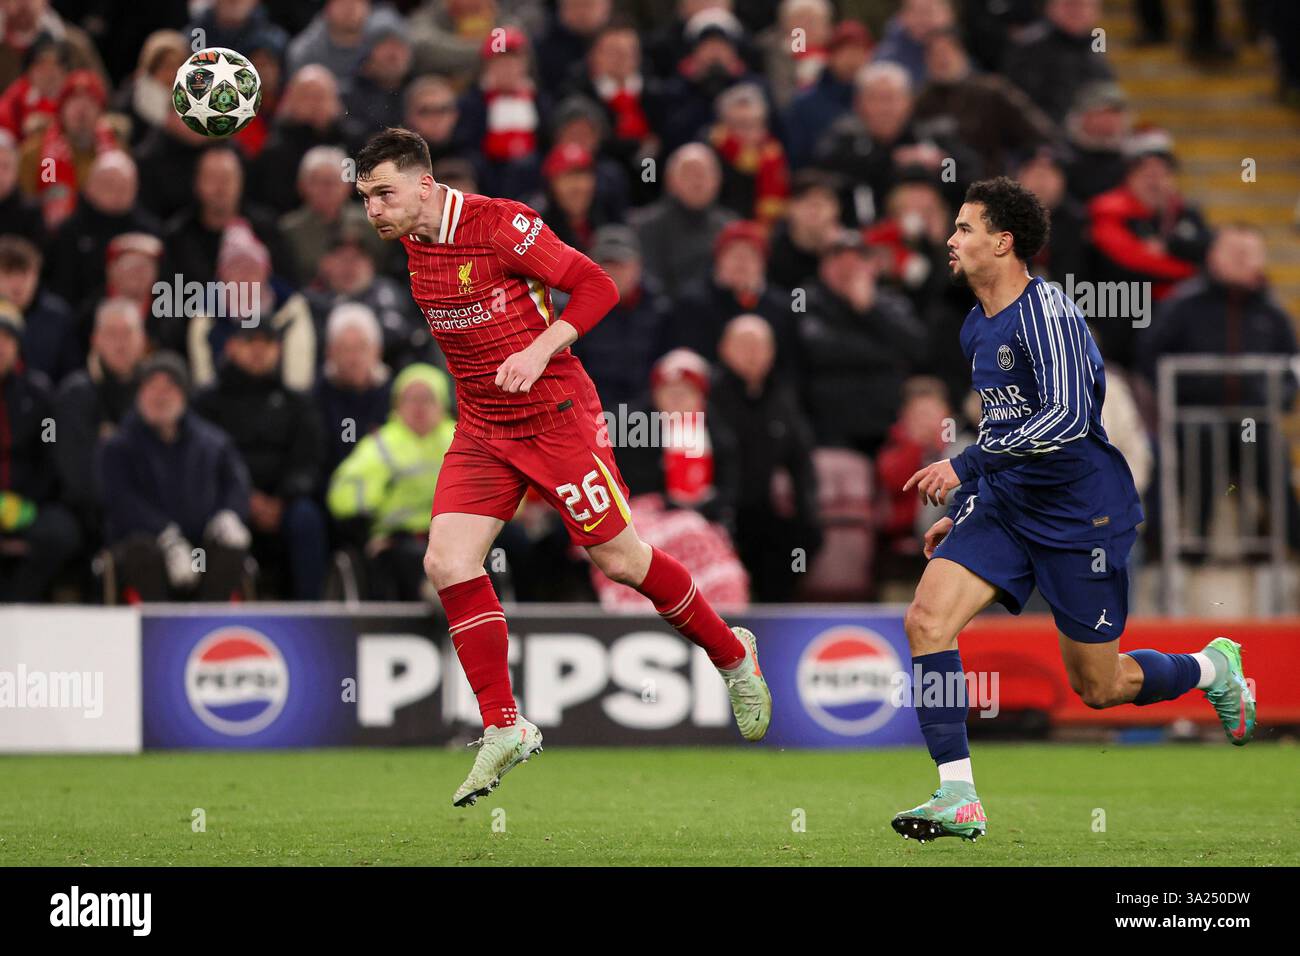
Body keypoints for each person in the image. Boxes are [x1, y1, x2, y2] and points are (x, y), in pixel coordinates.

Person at [353, 126, 772, 807]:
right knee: (447, 563)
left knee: (622, 561)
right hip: (486, 428)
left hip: (554, 419)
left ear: (425, 186)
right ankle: (504, 725)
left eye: (382, 194)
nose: (372, 209)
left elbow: (596, 286)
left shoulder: (501, 224)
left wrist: (542, 348)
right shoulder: (411, 246)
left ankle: (731, 653)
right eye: (365, 197)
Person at [891, 178, 1256, 844]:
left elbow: (1063, 418)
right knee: (926, 620)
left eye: (965, 229)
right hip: (1006, 506)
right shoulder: (977, 323)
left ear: (1003, 243)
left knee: (1100, 685)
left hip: (1077, 516)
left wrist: (964, 467)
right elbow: (1008, 424)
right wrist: (970, 501)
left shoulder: (1049, 314)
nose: (951, 239)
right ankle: (958, 793)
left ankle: (1213, 668)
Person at [326, 362, 456, 601]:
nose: (420, 408)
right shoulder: (382, 443)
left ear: (442, 404)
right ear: (397, 405)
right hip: (399, 539)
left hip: (456, 536)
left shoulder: (461, 438)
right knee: (410, 558)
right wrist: (368, 531)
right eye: (411, 399)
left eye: (427, 398)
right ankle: (434, 598)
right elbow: (344, 493)